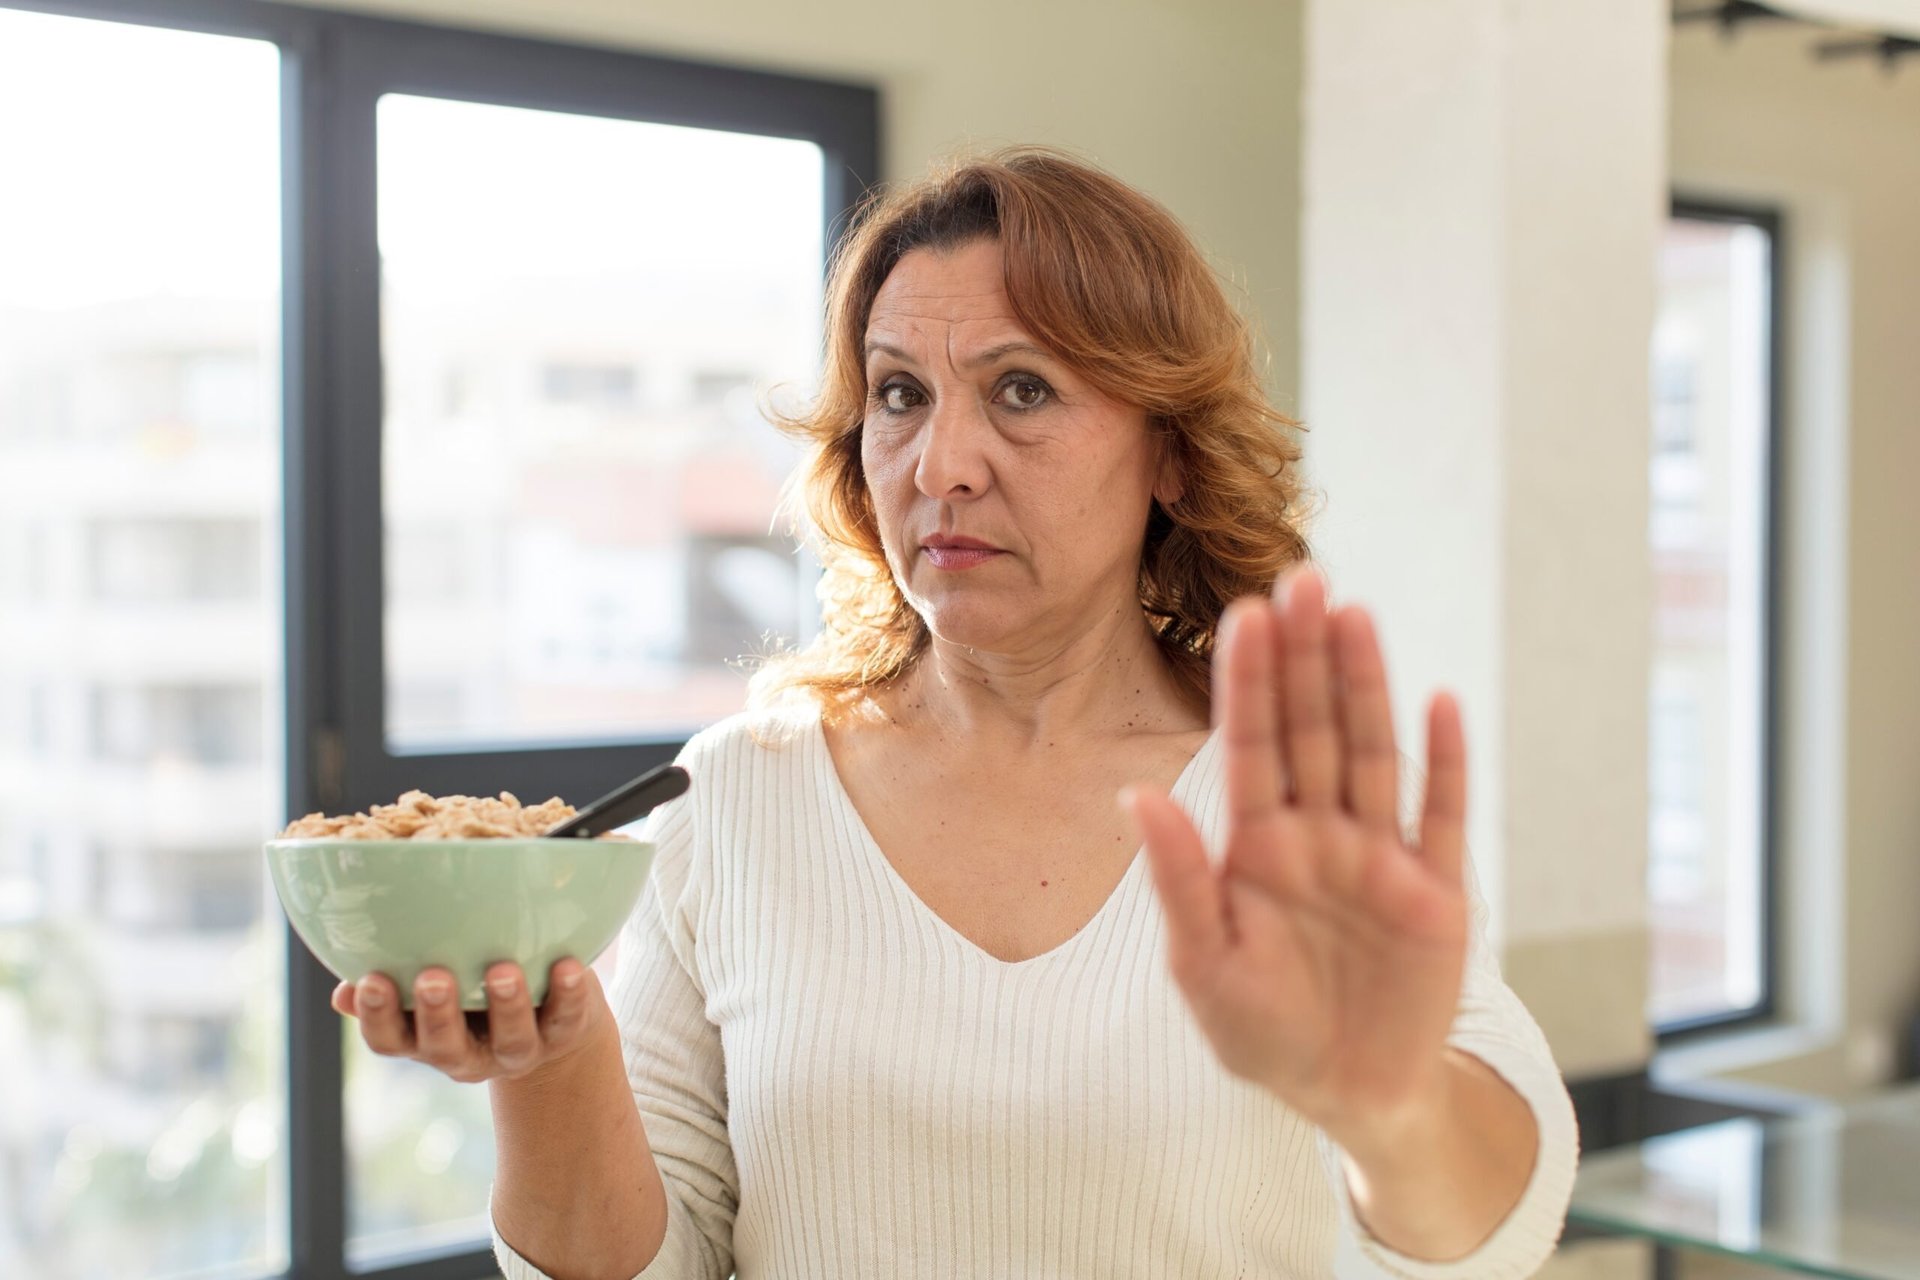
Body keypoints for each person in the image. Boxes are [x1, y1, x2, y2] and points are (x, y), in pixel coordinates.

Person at [335, 146, 1578, 1279]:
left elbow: (1487, 1230)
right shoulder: (734, 797)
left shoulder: (1298, 799)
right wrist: (548, 1056)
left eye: (1022, 389)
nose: (939, 465)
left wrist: (1389, 1103)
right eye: (899, 394)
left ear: (1170, 452)